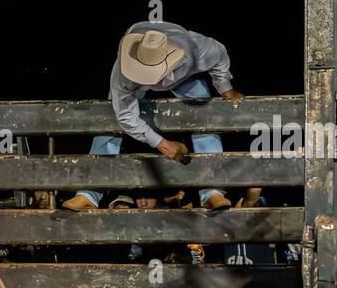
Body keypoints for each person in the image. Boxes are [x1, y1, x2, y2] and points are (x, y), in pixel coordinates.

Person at [64, 22, 243, 212]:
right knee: (111, 120)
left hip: (182, 77)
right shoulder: (123, 71)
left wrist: (225, 87)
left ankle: (212, 192)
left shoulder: (196, 50)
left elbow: (220, 54)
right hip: (133, 80)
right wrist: (163, 144)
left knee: (204, 114)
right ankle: (87, 195)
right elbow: (125, 116)